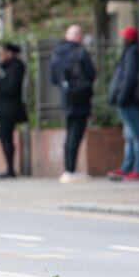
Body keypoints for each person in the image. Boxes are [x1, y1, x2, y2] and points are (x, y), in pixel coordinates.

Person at [49, 24, 97, 183]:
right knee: (76, 134)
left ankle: (68, 168)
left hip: (66, 99)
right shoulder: (80, 52)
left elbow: (53, 78)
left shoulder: (57, 53)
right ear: (78, 36)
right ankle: (71, 169)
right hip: (81, 99)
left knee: (70, 134)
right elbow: (92, 73)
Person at [108, 26, 139, 181]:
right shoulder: (130, 52)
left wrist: (121, 97)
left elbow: (129, 76)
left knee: (136, 135)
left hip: (128, 100)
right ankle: (127, 167)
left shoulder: (132, 52)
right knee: (129, 136)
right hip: (125, 99)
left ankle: (138, 167)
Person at [0, 43, 28, 179]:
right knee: (4, 137)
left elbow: (10, 88)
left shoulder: (16, 67)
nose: (0, 56)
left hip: (9, 109)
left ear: (9, 53)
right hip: (2, 108)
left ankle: (10, 169)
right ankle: (9, 168)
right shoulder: (4, 68)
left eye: (2, 52)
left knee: (6, 137)